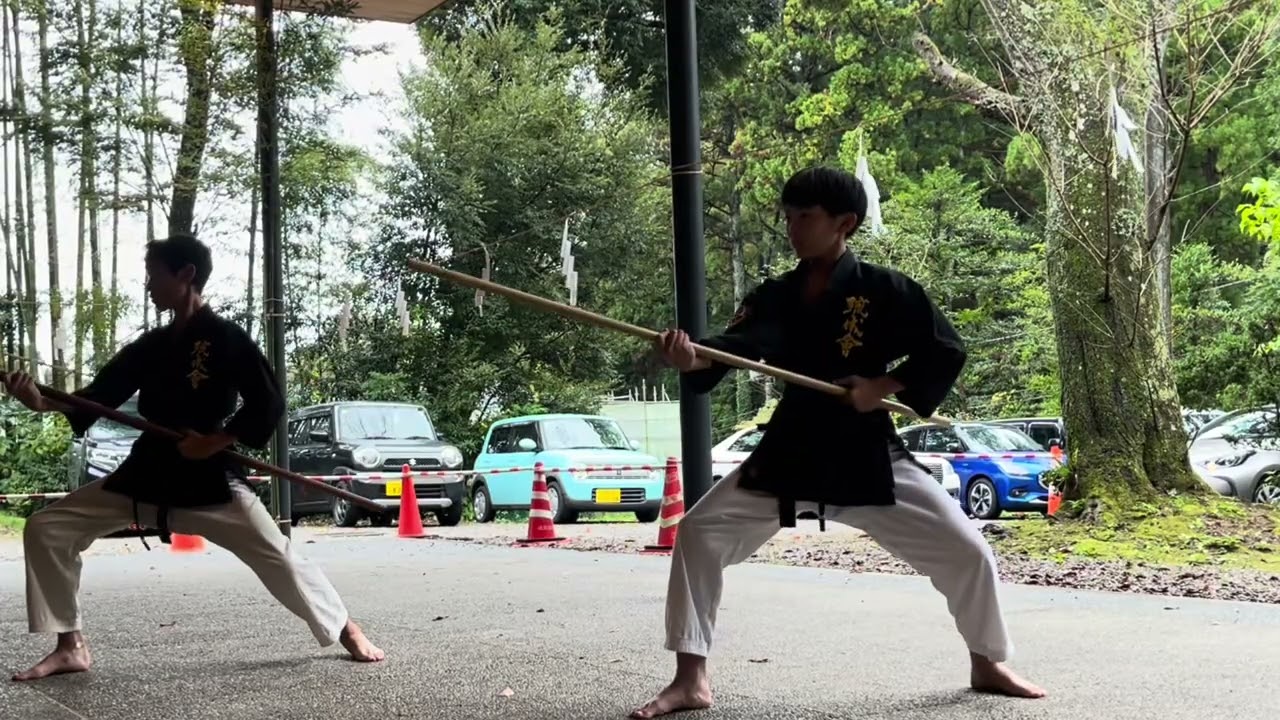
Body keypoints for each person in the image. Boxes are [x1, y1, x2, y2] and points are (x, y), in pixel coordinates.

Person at [631, 167, 1044, 718]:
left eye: (805, 217)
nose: (793, 228)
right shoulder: (776, 295)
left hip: (864, 452)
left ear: (844, 223)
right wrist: (692, 357)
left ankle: (987, 660)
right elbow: (733, 346)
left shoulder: (886, 290)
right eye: (789, 217)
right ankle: (690, 678)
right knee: (700, 533)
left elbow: (945, 349)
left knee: (966, 550)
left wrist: (883, 385)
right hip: (792, 449)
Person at [1, 234, 384, 682]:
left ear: (185, 275)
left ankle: (346, 629)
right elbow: (97, 399)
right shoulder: (152, 345)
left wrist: (217, 440)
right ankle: (70, 645)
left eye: (153, 275)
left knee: (277, 555)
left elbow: (268, 401)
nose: (148, 285)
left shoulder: (225, 338)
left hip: (207, 478)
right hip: (149, 472)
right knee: (49, 526)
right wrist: (42, 402)